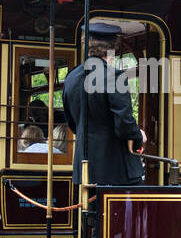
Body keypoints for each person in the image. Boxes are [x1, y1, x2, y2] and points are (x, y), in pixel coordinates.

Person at [62, 21, 145, 186]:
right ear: (113, 48)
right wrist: (138, 137)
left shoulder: (70, 78)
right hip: (115, 172)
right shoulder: (114, 76)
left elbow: (72, 122)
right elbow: (124, 124)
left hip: (84, 170)